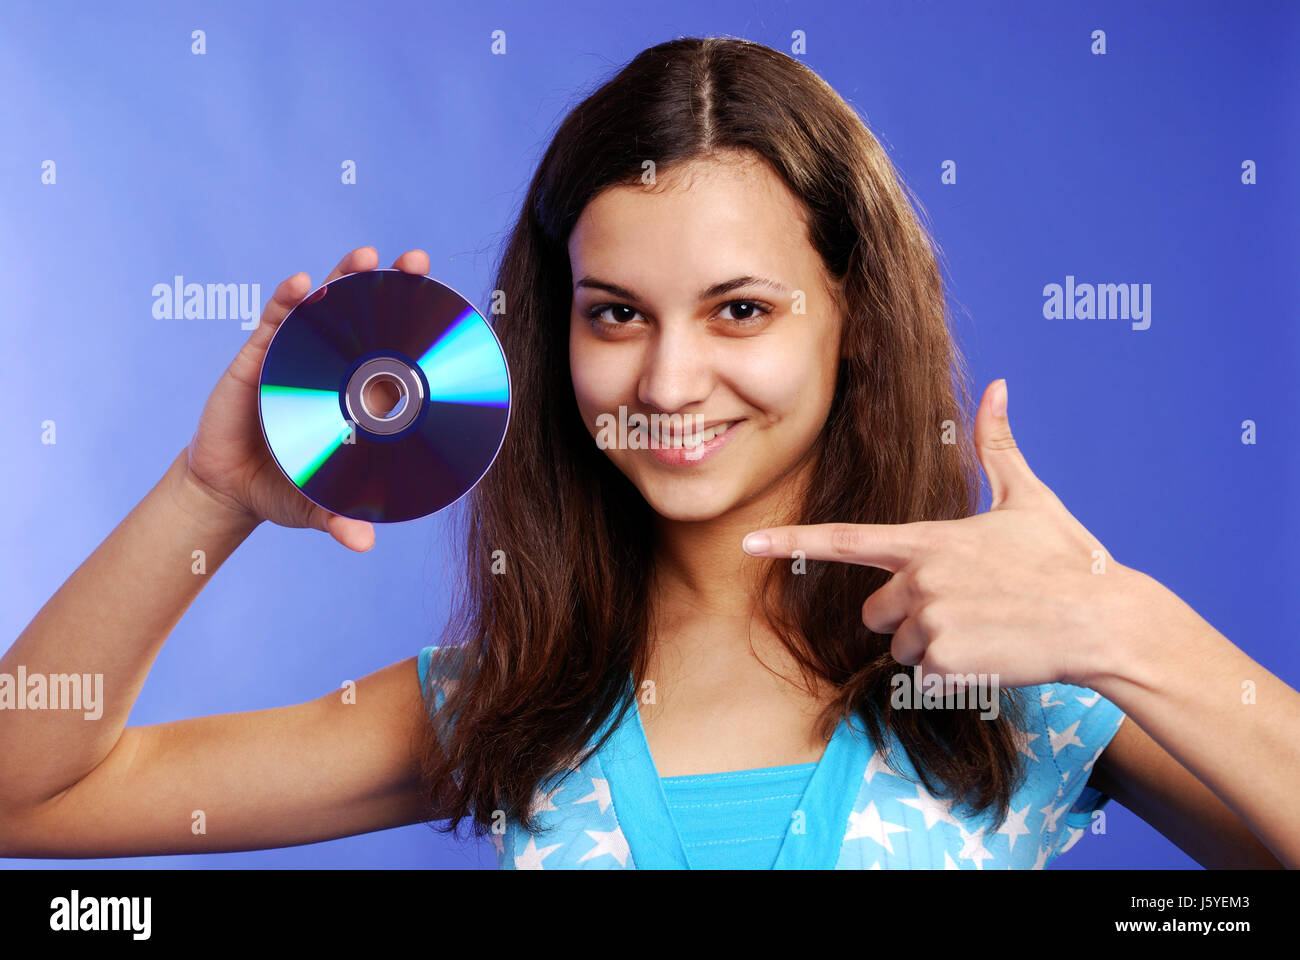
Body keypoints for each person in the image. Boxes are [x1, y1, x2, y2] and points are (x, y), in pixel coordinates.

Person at [1, 37, 1293, 870]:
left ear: (852, 319)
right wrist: (207, 497)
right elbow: (28, 797)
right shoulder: (506, 705)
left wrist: (1121, 625)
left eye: (742, 310)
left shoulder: (1018, 684)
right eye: (615, 314)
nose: (669, 382)